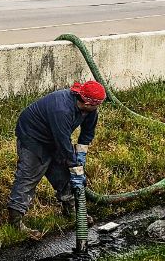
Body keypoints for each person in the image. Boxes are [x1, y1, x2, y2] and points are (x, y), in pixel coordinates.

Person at [7, 80, 107, 234]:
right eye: (97, 104)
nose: (98, 107)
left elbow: (87, 133)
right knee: (28, 178)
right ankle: (15, 224)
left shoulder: (90, 110)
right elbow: (63, 142)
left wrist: (80, 157)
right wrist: (75, 167)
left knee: (64, 175)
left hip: (55, 138)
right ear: (87, 103)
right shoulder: (62, 109)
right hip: (33, 137)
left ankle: (71, 212)